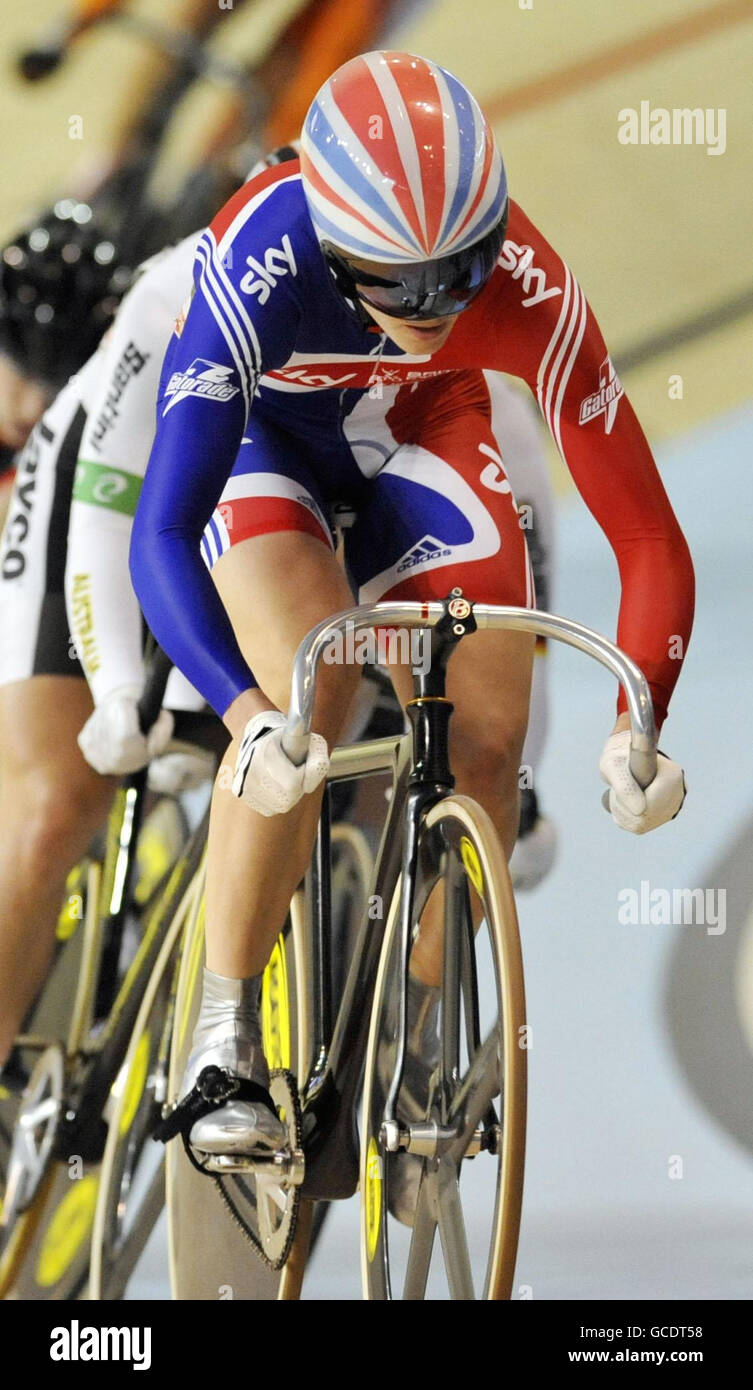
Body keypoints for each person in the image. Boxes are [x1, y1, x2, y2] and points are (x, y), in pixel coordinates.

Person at [126, 51, 692, 1178]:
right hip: (270, 442)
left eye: (461, 275)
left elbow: (648, 538)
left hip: (425, 428)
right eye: (405, 284)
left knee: (489, 737)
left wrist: (641, 724)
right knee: (310, 689)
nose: (441, 302)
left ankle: (420, 1040)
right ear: (337, 255)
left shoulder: (525, 278)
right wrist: (245, 719)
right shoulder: (257, 266)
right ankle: (222, 1039)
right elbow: (162, 529)